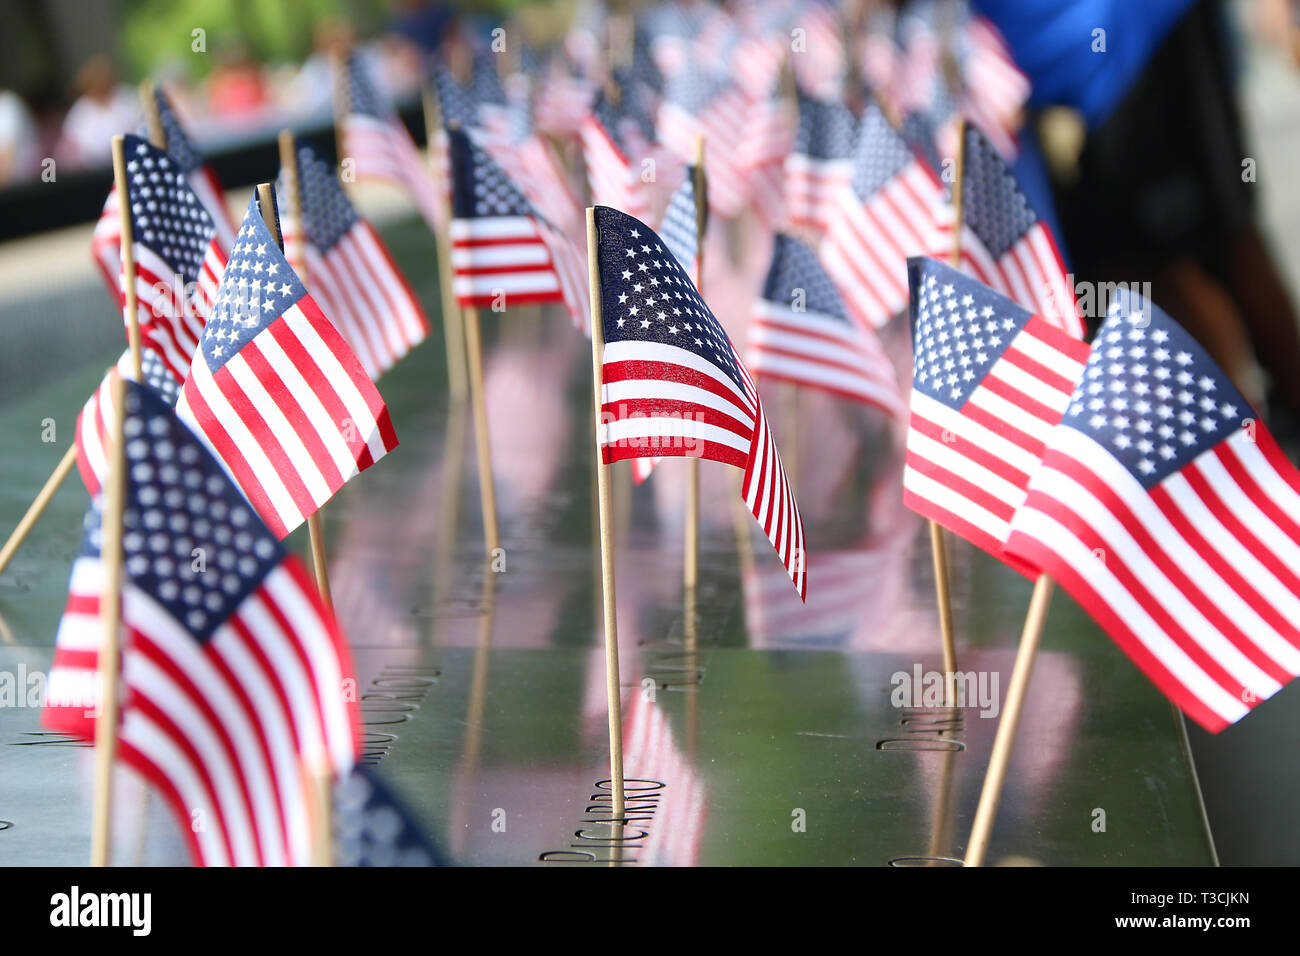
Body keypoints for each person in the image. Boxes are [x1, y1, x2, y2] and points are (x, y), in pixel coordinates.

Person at [57, 55, 137, 169]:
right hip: (93, 171)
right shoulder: (82, 108)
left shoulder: (127, 96)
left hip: (130, 161)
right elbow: (69, 146)